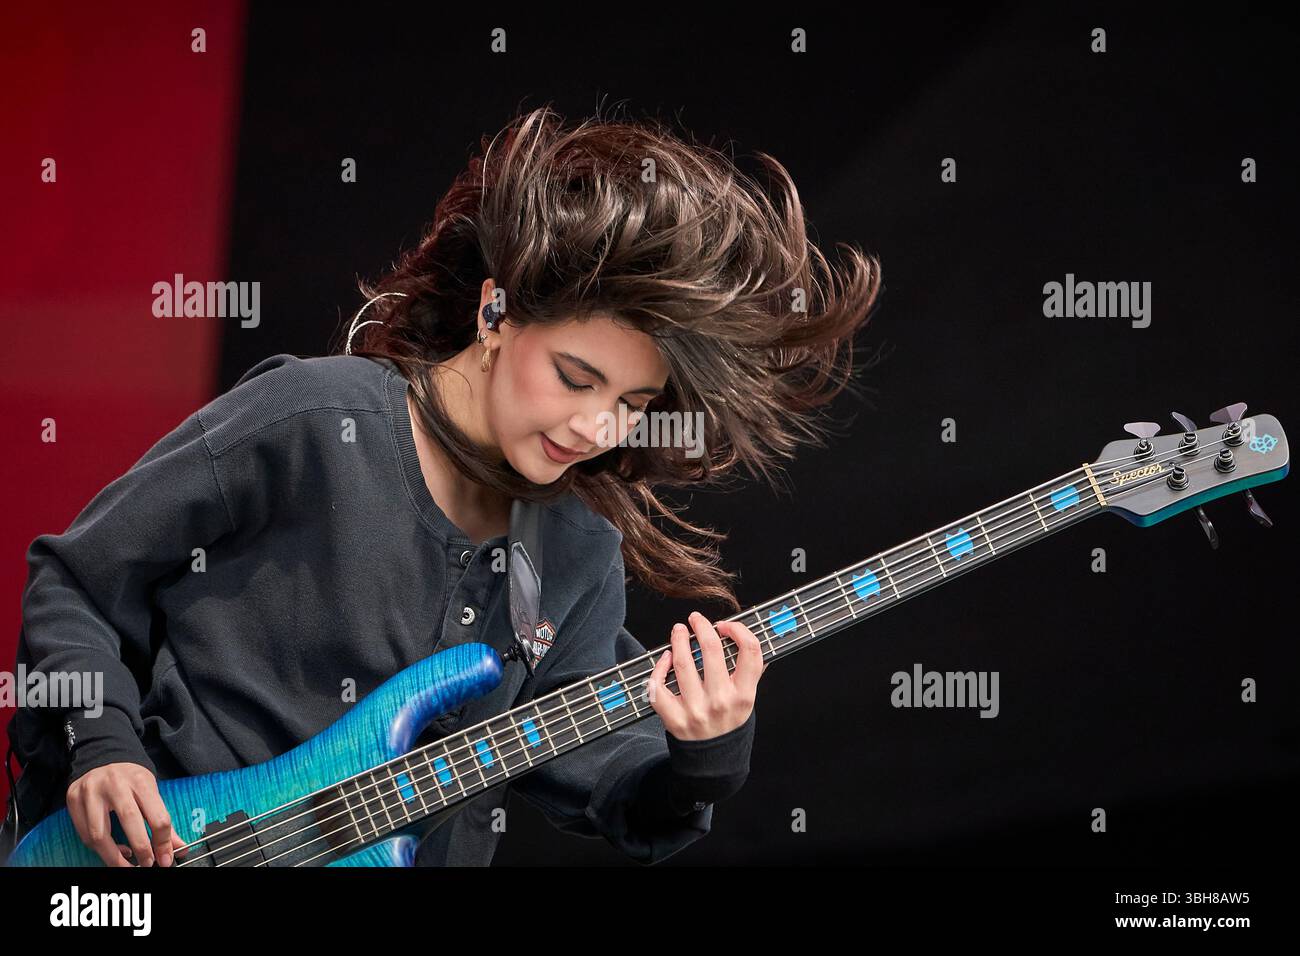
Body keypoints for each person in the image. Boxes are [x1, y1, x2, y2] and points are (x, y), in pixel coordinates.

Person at [3, 105, 881, 867]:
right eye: (577, 378)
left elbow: (619, 794)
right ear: (496, 313)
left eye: (633, 403)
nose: (598, 429)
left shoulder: (576, 552)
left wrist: (707, 757)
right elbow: (77, 583)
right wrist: (101, 745)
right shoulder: (311, 419)